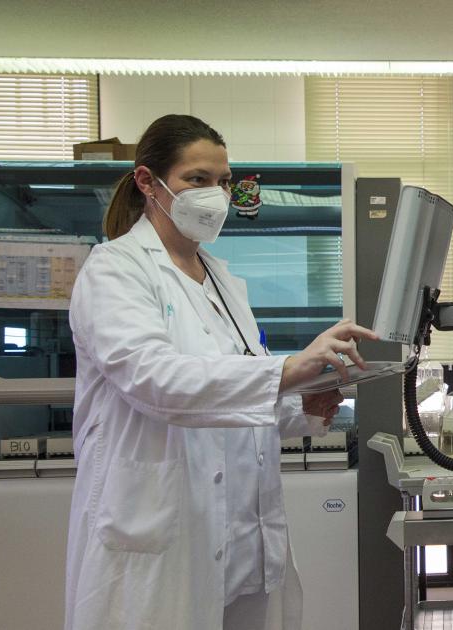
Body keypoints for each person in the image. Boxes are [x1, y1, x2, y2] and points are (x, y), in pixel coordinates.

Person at [64, 114, 376, 630]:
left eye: (224, 181)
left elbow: (237, 395)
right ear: (148, 182)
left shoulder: (224, 281)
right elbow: (157, 381)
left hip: (241, 538)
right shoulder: (115, 269)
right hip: (161, 537)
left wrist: (303, 405)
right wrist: (288, 370)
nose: (216, 195)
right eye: (197, 179)